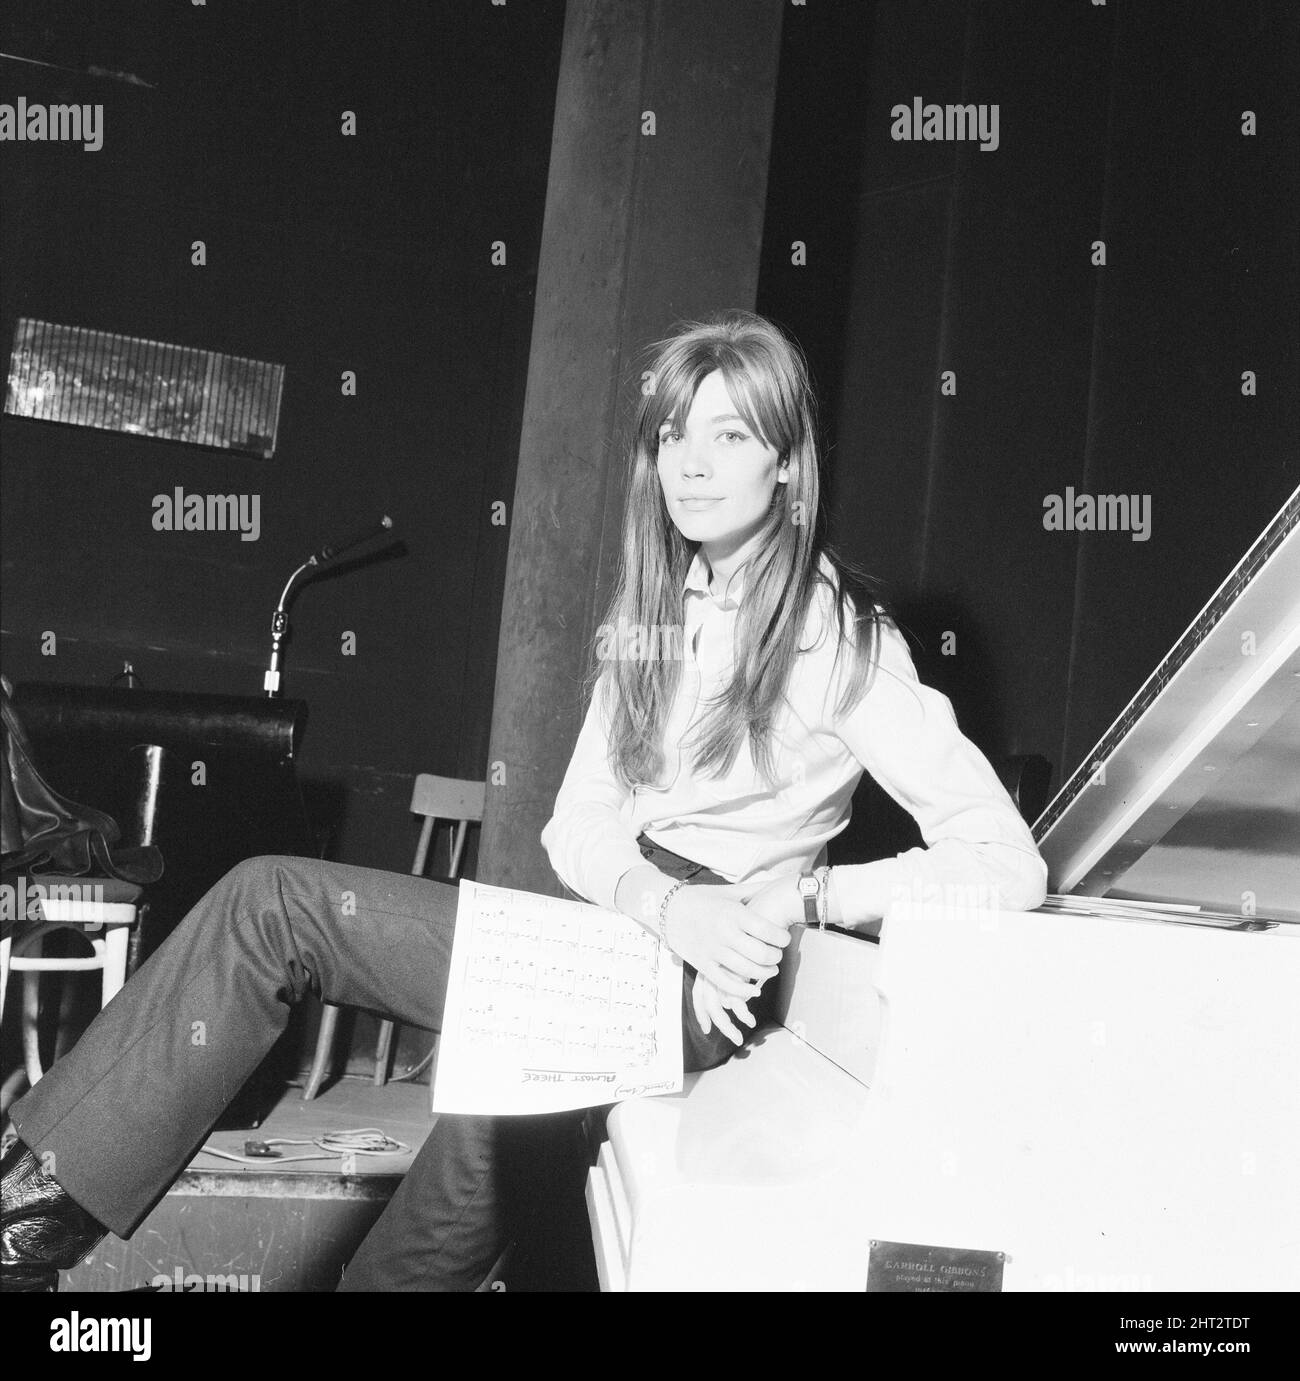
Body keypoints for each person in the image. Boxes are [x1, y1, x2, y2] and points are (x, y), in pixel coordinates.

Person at [0, 311, 1046, 1292]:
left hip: (698, 982)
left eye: (729, 436)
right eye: (673, 434)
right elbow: (574, 824)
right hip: (619, 936)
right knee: (480, 1147)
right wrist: (656, 897)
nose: (689, 461)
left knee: (271, 901)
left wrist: (805, 897)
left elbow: (1006, 864)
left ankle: (28, 1214)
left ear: (786, 462)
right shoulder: (655, 612)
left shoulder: (839, 637)